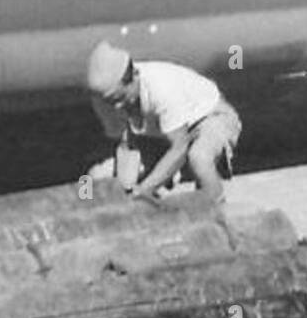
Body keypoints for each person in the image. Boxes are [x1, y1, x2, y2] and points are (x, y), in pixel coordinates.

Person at [85, 41, 241, 203]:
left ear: (134, 78)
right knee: (100, 174)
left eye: (120, 98)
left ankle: (215, 203)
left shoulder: (162, 88)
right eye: (111, 101)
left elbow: (180, 147)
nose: (117, 106)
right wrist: (128, 187)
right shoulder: (103, 99)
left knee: (199, 157)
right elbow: (125, 144)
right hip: (164, 135)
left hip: (210, 118)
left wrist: (145, 188)